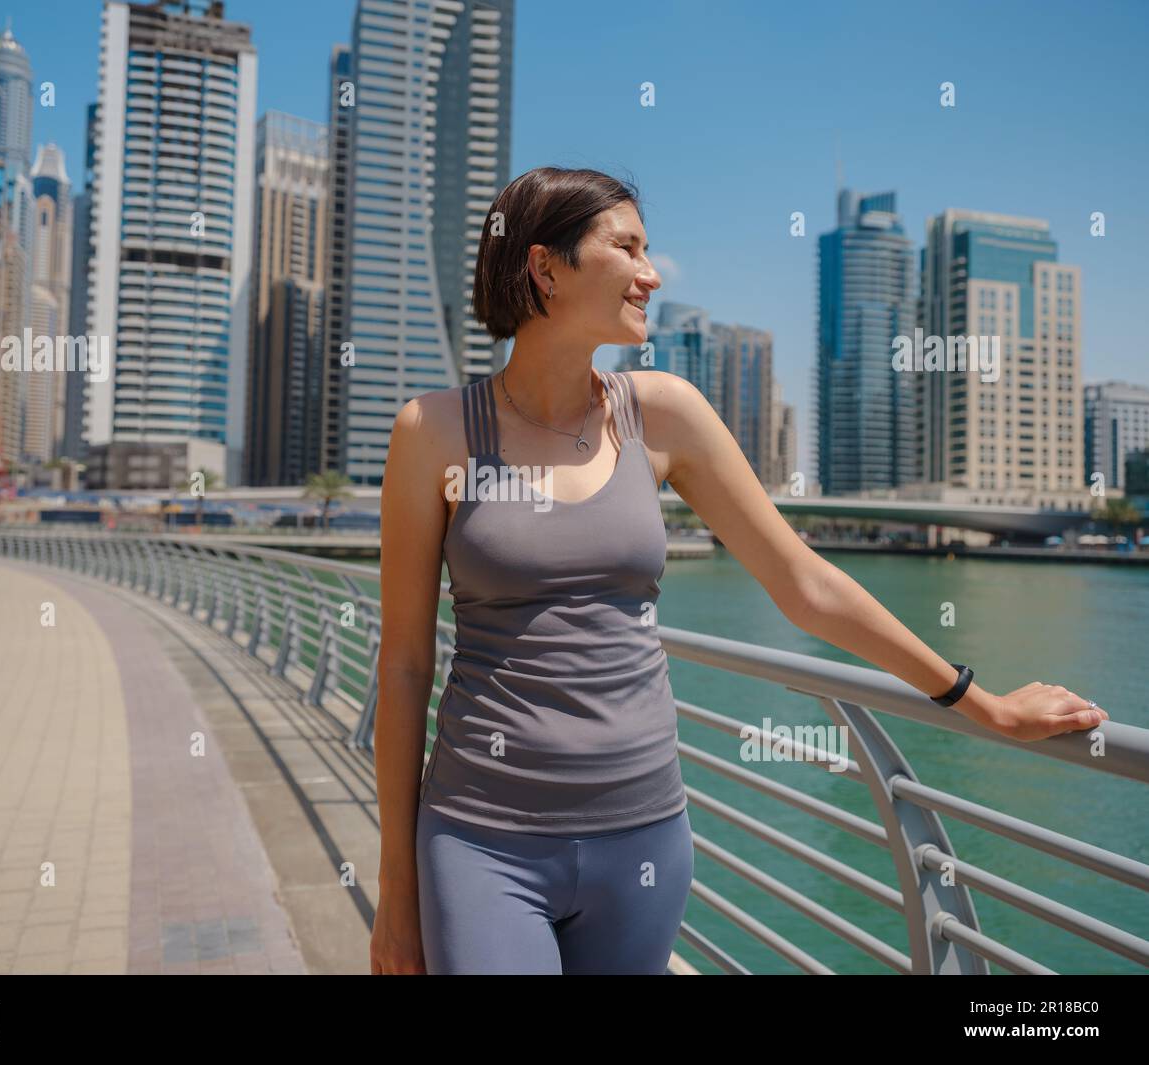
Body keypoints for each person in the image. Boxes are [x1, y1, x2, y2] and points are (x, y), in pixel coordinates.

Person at [370, 166, 1111, 976]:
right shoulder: (435, 432)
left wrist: (984, 705)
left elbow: (806, 583)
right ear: (545, 267)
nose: (652, 272)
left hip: (643, 839)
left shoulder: (663, 414)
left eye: (650, 250)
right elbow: (405, 664)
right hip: (483, 837)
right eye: (627, 247)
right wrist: (395, 893)